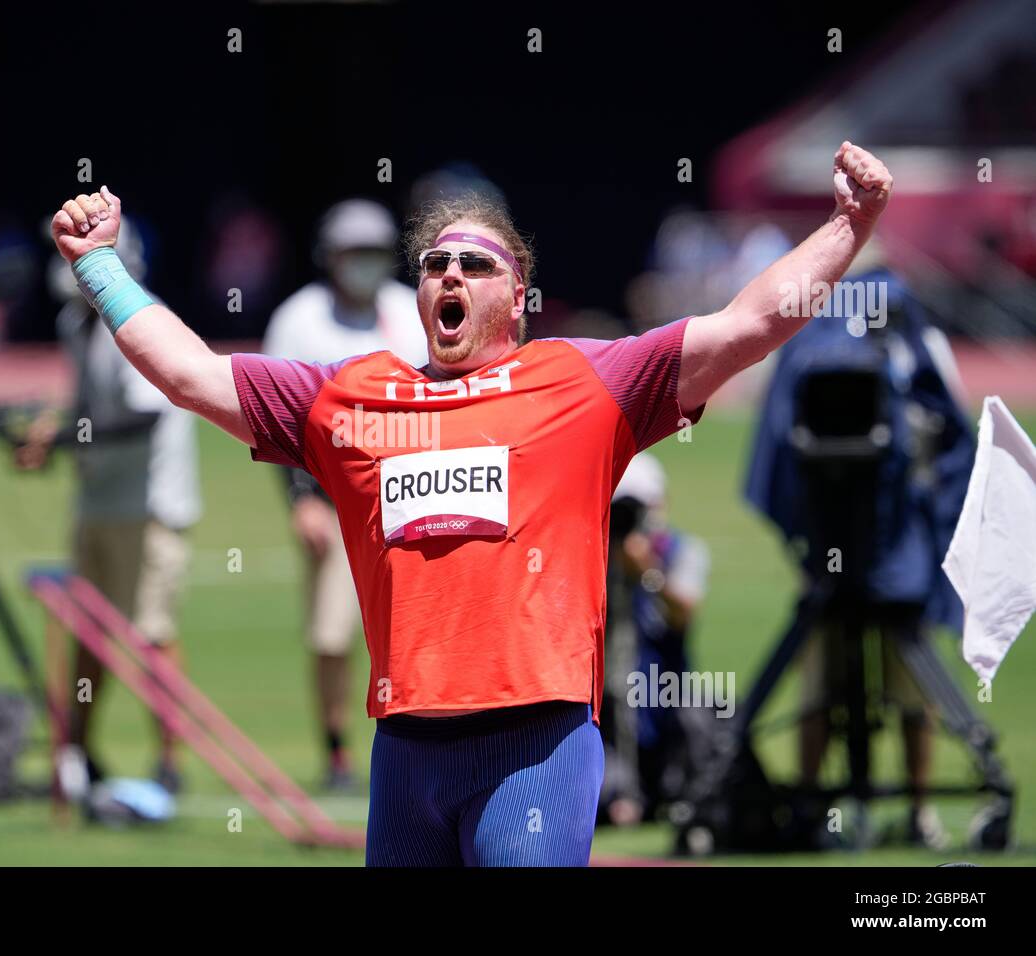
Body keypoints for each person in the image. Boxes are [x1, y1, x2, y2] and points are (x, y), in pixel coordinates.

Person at [48, 140, 893, 866]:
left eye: (475, 264)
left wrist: (847, 227)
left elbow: (747, 322)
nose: (449, 272)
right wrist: (99, 266)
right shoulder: (355, 399)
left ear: (516, 297)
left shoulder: (584, 381)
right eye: (434, 264)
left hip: (536, 744)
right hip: (407, 751)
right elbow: (192, 374)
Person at [745, 251, 974, 849]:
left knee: (830, 680)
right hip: (894, 546)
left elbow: (774, 441)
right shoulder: (909, 327)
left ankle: (813, 806)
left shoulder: (813, 331)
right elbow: (954, 432)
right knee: (907, 687)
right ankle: (917, 814)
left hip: (836, 546)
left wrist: (803, 534)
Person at [17, 220, 201, 796]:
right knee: (88, 634)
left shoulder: (141, 318)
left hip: (148, 500)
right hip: (98, 497)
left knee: (150, 633)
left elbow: (147, 415)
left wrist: (69, 438)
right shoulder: (75, 322)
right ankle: (79, 752)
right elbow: (88, 405)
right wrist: (48, 433)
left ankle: (169, 761)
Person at [262, 199, 427, 791]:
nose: (365, 264)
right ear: (330, 257)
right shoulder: (297, 319)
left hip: (410, 492)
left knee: (413, 627)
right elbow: (277, 416)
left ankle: (417, 738)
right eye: (354, 252)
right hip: (331, 499)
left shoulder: (410, 311)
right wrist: (299, 498)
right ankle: (335, 752)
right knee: (332, 631)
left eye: (376, 252)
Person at [598, 452, 710, 827]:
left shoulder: (681, 551)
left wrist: (648, 572)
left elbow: (684, 612)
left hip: (663, 705)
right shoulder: (591, 556)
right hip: (607, 716)